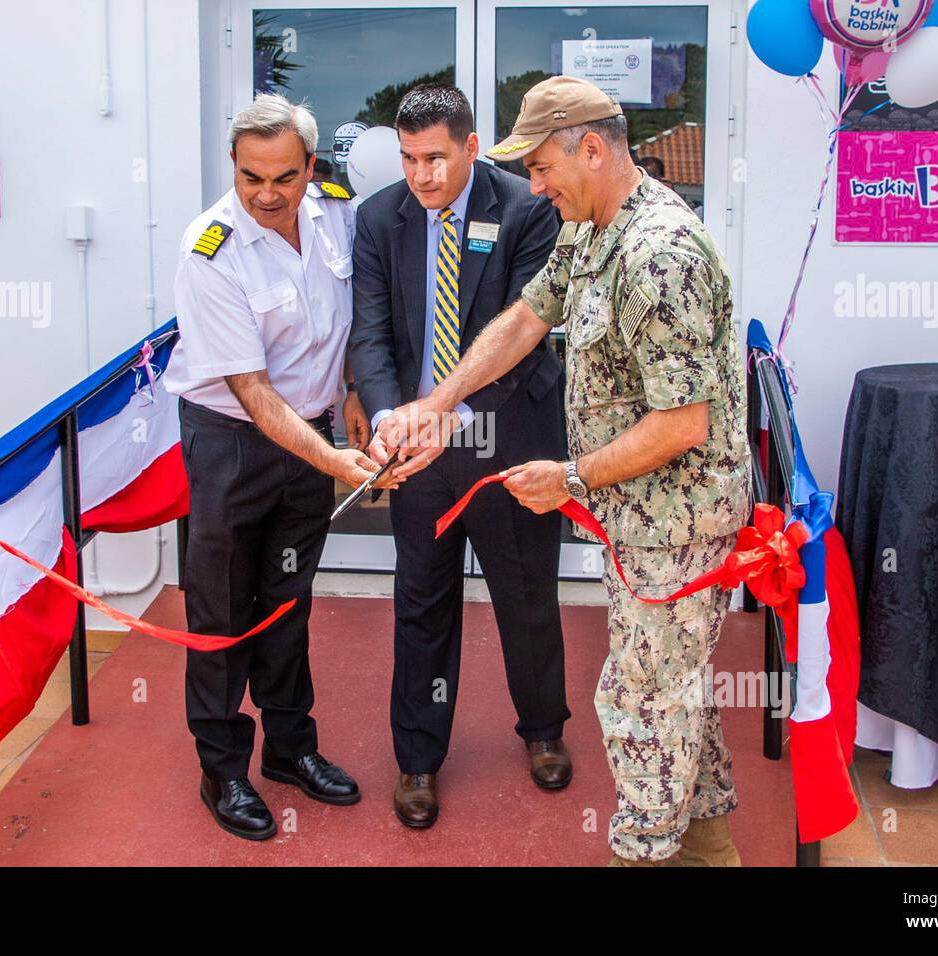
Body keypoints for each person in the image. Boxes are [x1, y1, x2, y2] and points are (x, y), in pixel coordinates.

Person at [379, 76, 751, 865]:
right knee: (678, 695)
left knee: (639, 705)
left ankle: (645, 852)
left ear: (592, 148)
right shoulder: (589, 225)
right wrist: (440, 401)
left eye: (544, 168)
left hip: (673, 524)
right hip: (638, 518)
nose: (534, 187)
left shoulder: (658, 252)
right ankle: (710, 848)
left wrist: (571, 477)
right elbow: (524, 317)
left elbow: (684, 423)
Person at [348, 83, 572, 829]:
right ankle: (417, 758)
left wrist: (456, 413)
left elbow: (528, 334)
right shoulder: (380, 218)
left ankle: (543, 731)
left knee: (526, 597)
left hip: (507, 439)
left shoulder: (527, 209)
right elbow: (371, 334)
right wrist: (388, 419)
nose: (422, 176)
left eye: (436, 158)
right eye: (410, 159)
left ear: (471, 147)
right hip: (418, 453)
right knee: (421, 603)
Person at [163, 93, 385, 842]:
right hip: (233, 444)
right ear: (233, 165)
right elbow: (252, 391)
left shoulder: (333, 213)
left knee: (287, 600)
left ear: (309, 168)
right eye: (251, 176)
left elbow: (347, 316)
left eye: (283, 177)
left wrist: (351, 390)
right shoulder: (211, 249)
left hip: (311, 434)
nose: (266, 194)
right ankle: (222, 768)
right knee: (223, 610)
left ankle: (291, 749)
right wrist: (333, 460)